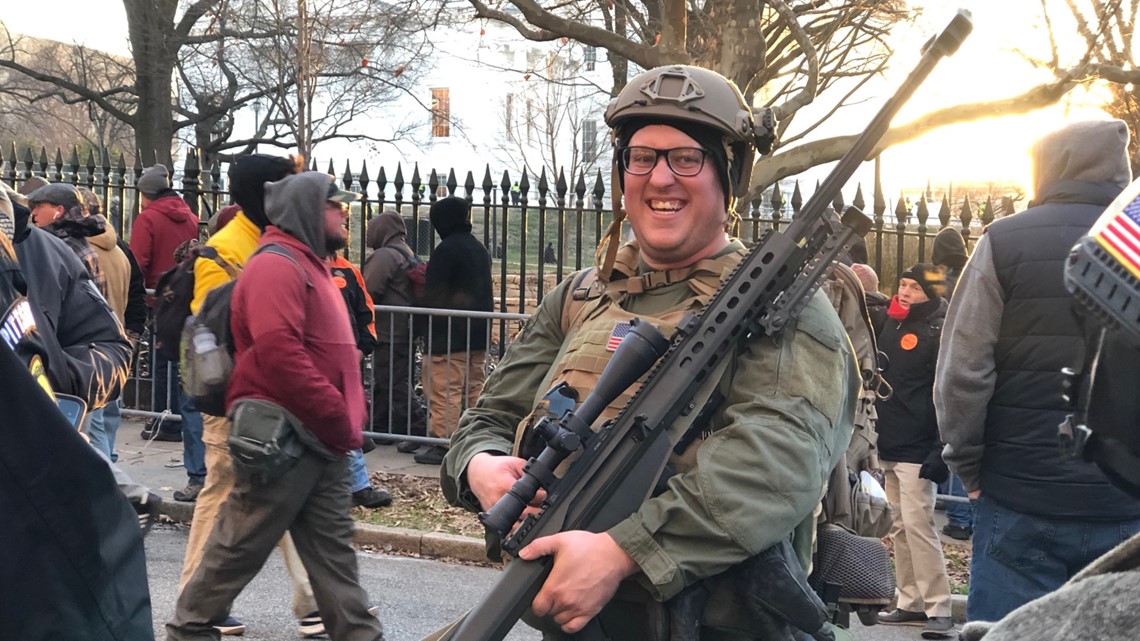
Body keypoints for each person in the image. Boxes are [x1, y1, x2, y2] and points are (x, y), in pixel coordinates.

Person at [440, 64, 857, 640]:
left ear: (728, 175)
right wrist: (481, 465)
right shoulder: (581, 296)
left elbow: (776, 465)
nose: (661, 178)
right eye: (641, 157)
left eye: (686, 158)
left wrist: (624, 551)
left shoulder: (780, 307)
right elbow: (488, 417)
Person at [935, 119, 1140, 623]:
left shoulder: (1004, 241)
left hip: (1019, 493)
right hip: (1125, 502)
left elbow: (963, 372)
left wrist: (968, 468)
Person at [167, 172, 384, 641]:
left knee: (334, 561)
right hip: (285, 438)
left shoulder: (311, 264)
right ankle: (188, 630)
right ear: (306, 211)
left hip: (320, 439)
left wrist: (339, 420)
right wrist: (335, 411)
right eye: (334, 206)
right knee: (237, 549)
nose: (344, 214)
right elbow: (278, 352)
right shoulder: (276, 266)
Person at [176, 154, 324, 638]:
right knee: (224, 491)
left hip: (275, 392)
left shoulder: (273, 239)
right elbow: (213, 328)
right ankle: (196, 598)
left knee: (287, 489)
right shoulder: (223, 249)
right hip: (238, 398)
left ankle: (311, 598)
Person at [873, 264, 953, 637]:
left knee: (920, 527)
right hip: (889, 440)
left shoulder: (939, 330)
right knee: (900, 527)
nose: (904, 292)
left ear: (930, 293)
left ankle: (939, 606)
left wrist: (940, 447)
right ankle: (910, 602)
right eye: (903, 284)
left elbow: (944, 392)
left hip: (918, 447)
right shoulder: (890, 322)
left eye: (914, 288)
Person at [418, 196, 493, 466]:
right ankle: (475, 440)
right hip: (477, 333)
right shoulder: (478, 248)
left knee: (444, 391)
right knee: (474, 388)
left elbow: (434, 295)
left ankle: (443, 443)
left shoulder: (446, 250)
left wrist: (421, 325)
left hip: (447, 335)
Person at [130, 164, 201, 444]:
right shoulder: (190, 217)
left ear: (145, 193)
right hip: (185, 294)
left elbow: (138, 261)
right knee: (180, 362)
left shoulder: (147, 218)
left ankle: (163, 421)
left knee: (162, 362)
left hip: (157, 297)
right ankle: (179, 419)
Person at [329, 243, 394, 509]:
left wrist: (361, 349)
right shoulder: (298, 267)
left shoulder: (348, 271)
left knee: (347, 424)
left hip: (345, 364)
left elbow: (366, 314)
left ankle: (358, 485)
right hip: (314, 364)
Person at [362, 210, 429, 452]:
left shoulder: (385, 256)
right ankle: (381, 427)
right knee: (387, 379)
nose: (368, 234)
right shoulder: (406, 252)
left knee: (393, 381)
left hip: (390, 329)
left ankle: (417, 427)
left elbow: (367, 290)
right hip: (403, 327)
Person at [929, 227, 973, 540]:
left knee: (945, 437)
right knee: (961, 437)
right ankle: (961, 512)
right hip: (969, 355)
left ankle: (956, 515)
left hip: (940, 355)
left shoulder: (936, 276)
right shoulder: (971, 271)